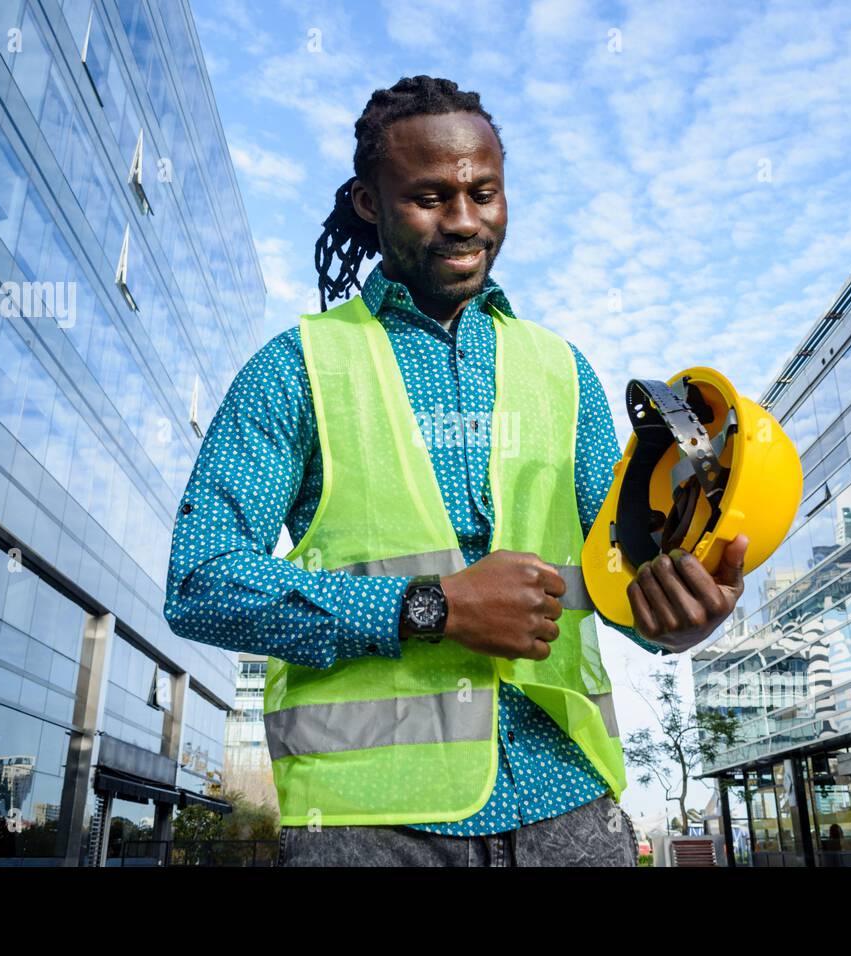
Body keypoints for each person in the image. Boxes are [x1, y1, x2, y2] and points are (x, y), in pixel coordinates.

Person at [164, 75, 747, 867]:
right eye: (430, 197)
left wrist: (672, 617)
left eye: (485, 192)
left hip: (570, 806)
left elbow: (615, 580)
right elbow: (199, 582)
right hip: (368, 828)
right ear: (370, 203)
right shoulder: (296, 367)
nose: (466, 221)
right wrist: (431, 607)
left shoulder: (563, 371)